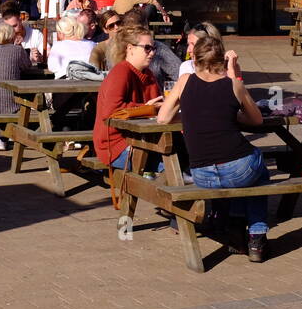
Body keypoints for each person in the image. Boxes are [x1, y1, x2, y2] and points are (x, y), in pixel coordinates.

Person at [159, 37, 271, 262]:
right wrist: (234, 72)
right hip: (239, 168)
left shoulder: (184, 81)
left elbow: (163, 118)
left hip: (203, 173)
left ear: (194, 59)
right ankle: (256, 235)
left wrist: (191, 113)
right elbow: (256, 120)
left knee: (246, 177)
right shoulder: (233, 84)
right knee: (259, 171)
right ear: (222, 59)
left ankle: (236, 227)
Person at [93, 27, 164, 171]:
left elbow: (155, 106)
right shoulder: (121, 72)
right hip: (116, 145)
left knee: (182, 154)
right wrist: (146, 107)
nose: (152, 52)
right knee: (168, 166)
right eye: (147, 48)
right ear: (130, 48)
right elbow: (111, 111)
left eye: (154, 48)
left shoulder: (148, 74)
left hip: (142, 139)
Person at [0, 22, 31, 150]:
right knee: (22, 98)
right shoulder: (17, 50)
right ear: (12, 35)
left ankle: (2, 137)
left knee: (0, 96)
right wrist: (20, 47)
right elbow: (27, 66)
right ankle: (9, 134)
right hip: (12, 103)